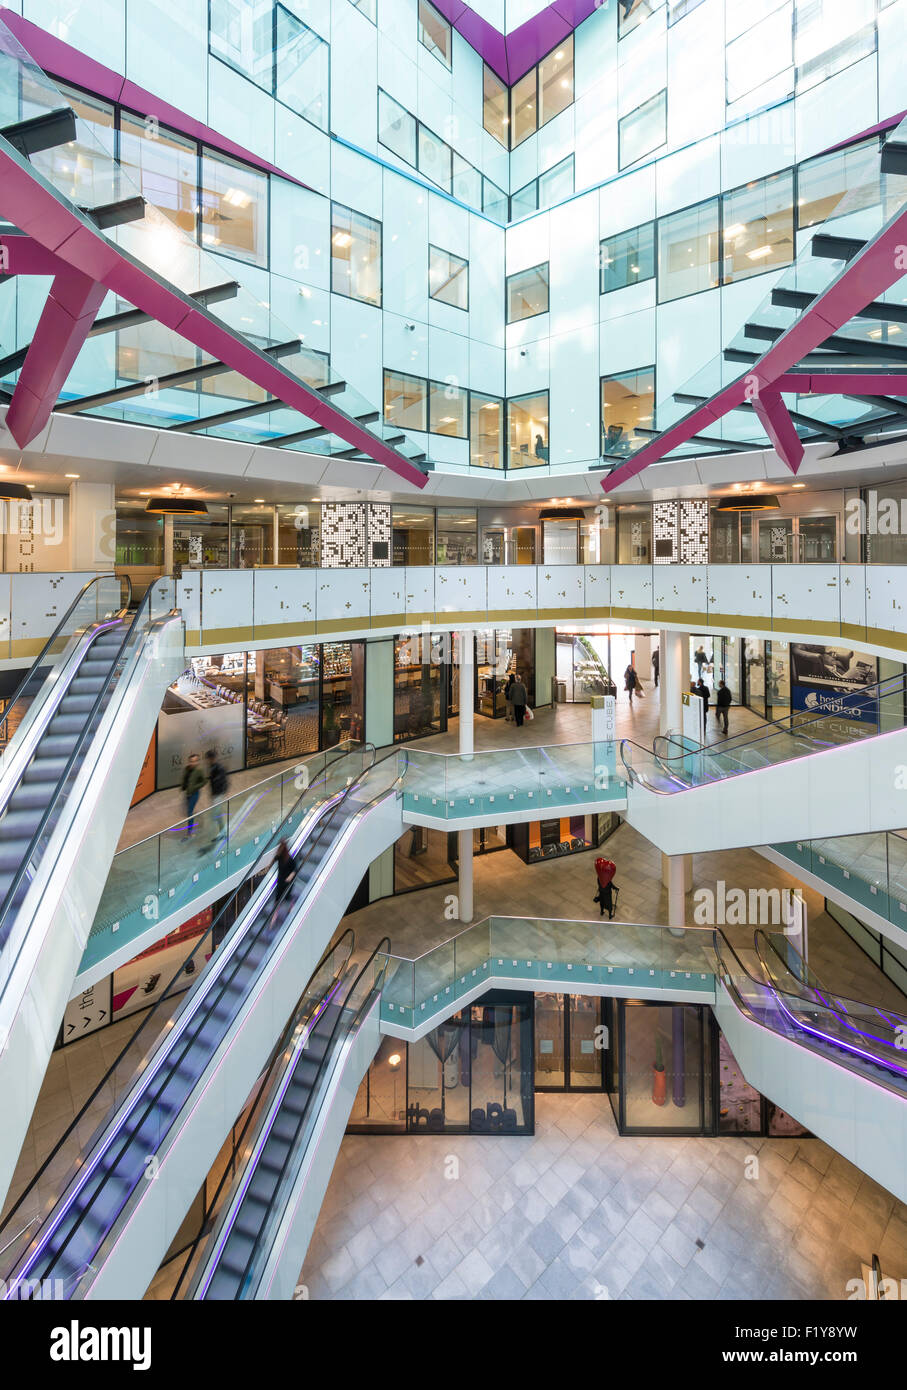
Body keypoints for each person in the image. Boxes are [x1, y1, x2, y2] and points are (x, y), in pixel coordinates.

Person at [205, 748, 229, 842]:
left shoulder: (219, 768)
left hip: (218, 794)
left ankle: (220, 834)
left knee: (215, 815)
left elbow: (223, 781)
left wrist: (221, 792)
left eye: (209, 758)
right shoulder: (212, 767)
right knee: (217, 814)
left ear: (213, 758)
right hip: (216, 794)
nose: (208, 760)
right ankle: (222, 833)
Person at [181, 753, 206, 837]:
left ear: (198, 762)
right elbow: (185, 779)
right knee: (188, 811)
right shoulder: (187, 769)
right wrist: (183, 786)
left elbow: (204, 781)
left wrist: (195, 787)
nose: (193, 763)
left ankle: (190, 832)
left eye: (195, 761)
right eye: (191, 761)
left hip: (195, 793)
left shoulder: (199, 770)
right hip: (187, 793)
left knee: (189, 812)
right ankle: (190, 828)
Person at [273, 839, 297, 908]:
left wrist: (289, 878)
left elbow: (294, 870)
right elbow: (274, 859)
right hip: (280, 881)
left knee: (287, 897)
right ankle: (274, 915)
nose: (278, 850)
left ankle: (291, 904)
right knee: (277, 898)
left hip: (287, 883)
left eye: (280, 848)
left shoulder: (290, 860)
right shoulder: (279, 857)